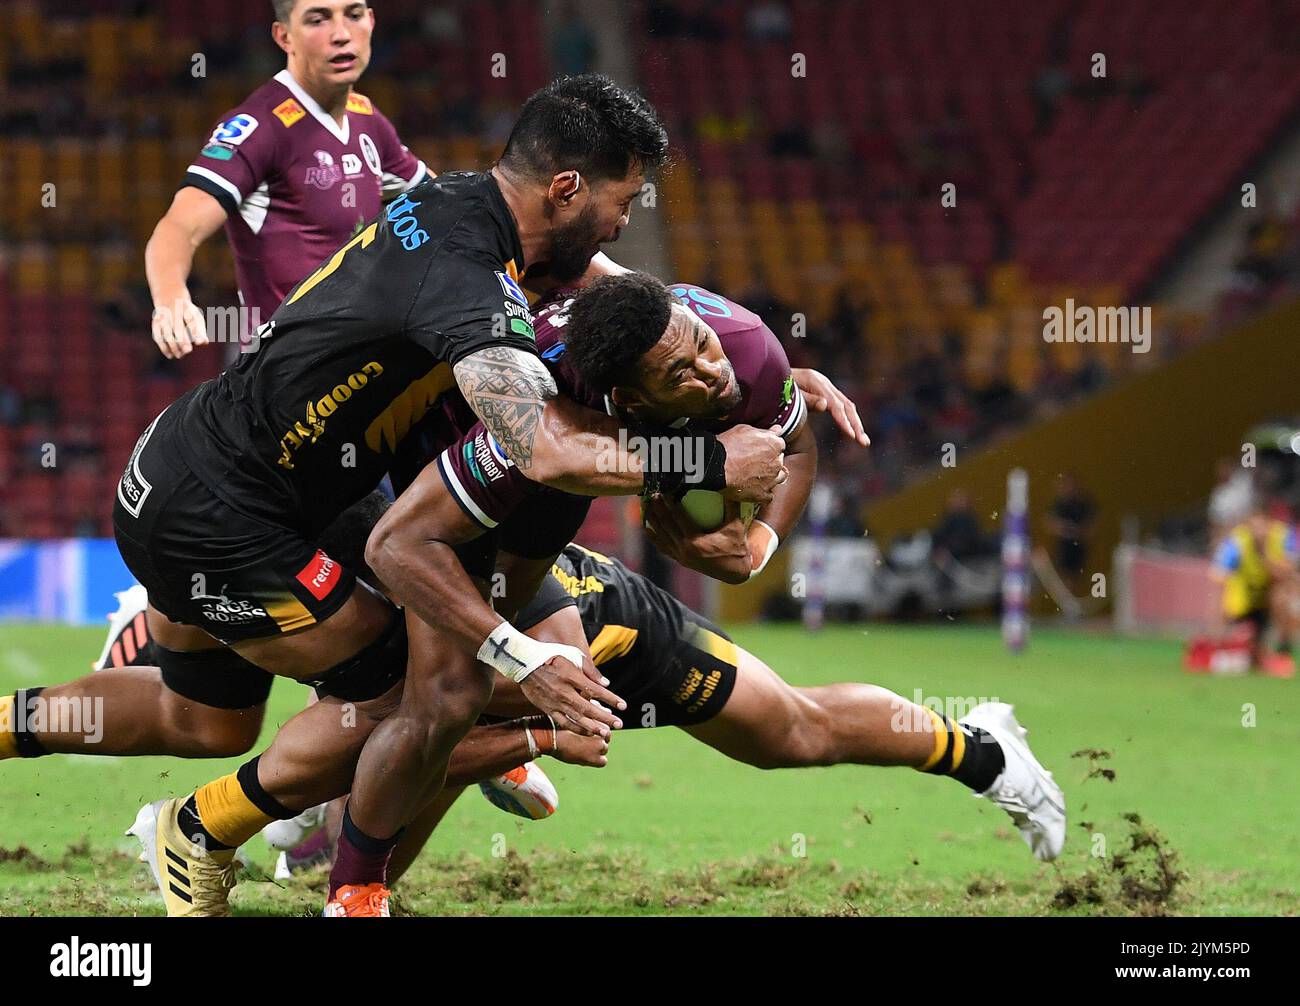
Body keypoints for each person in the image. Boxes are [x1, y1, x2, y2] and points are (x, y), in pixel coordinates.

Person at [94, 74, 782, 918]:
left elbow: (610, 285)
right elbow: (538, 445)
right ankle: (196, 827)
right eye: (623, 200)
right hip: (217, 518)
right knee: (397, 695)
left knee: (379, 692)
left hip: (256, 476)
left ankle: (196, 685)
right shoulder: (467, 276)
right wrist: (705, 463)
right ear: (566, 188)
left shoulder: (468, 204)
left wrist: (758, 372)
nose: (621, 223)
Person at [147, 0, 428, 360]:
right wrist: (171, 296)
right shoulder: (258, 127)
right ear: (284, 37)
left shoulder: (368, 119)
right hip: (287, 374)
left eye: (354, 15)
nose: (341, 35)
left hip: (362, 363)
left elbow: (441, 203)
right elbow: (178, 227)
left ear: (371, 22)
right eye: (317, 20)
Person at [1212, 510, 1298, 669]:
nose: (1258, 532)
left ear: (1269, 524)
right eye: (1254, 527)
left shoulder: (1282, 535)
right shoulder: (1237, 541)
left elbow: (1289, 571)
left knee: (1284, 594)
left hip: (1268, 599)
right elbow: (1217, 574)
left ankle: (1283, 650)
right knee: (1222, 596)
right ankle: (1224, 645)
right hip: (1244, 600)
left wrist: (1265, 558)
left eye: (1262, 527)